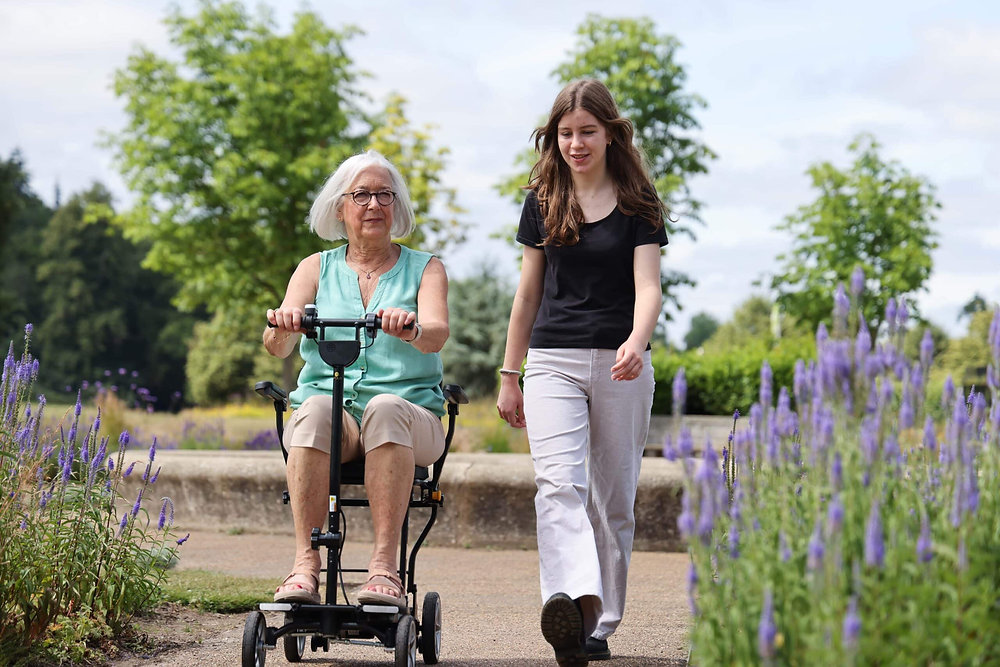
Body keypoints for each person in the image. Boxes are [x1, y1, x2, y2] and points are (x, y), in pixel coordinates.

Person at [496, 79, 668, 666]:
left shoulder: (639, 201)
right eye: (566, 133)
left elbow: (650, 287)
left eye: (587, 132)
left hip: (622, 364)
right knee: (557, 484)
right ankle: (569, 605)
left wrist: (637, 343)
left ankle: (600, 626)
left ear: (610, 134)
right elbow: (527, 295)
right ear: (555, 138)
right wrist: (509, 372)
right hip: (552, 360)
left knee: (613, 500)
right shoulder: (543, 198)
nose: (575, 143)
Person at [264, 149, 449, 609]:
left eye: (384, 195)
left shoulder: (426, 267)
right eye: (361, 195)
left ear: (397, 206)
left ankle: (385, 568)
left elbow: (437, 334)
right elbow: (276, 345)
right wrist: (284, 324)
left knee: (386, 408)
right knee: (311, 411)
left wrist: (412, 328)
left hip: (411, 416)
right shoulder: (314, 268)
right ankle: (304, 565)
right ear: (339, 207)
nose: (373, 205)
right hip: (338, 419)